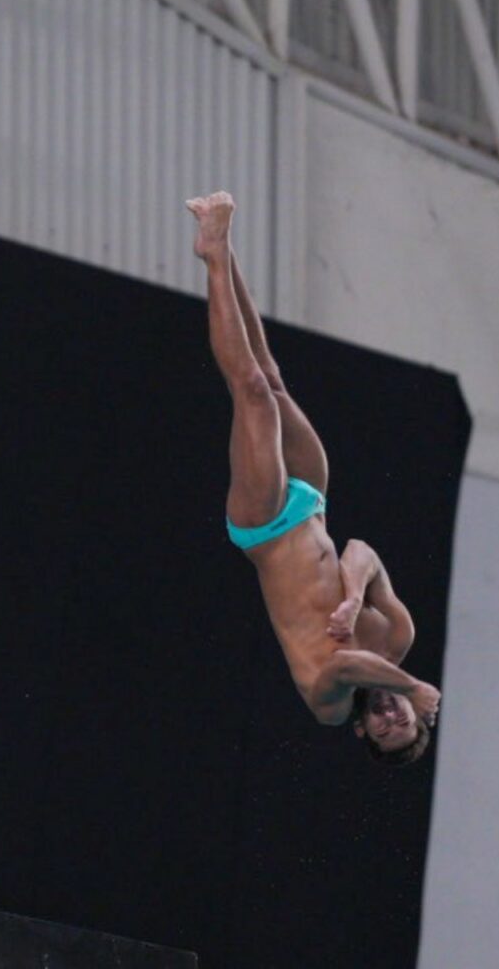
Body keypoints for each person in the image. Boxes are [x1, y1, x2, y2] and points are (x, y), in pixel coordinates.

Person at [185, 191, 439, 765]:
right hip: (312, 503)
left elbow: (345, 662)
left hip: (266, 526)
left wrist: (407, 685)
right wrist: (353, 598)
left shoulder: (331, 704)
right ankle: (226, 252)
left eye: (384, 728)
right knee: (270, 377)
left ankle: (212, 252)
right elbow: (361, 550)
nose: (390, 716)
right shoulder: (398, 639)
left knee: (249, 390)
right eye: (401, 720)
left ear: (362, 732)